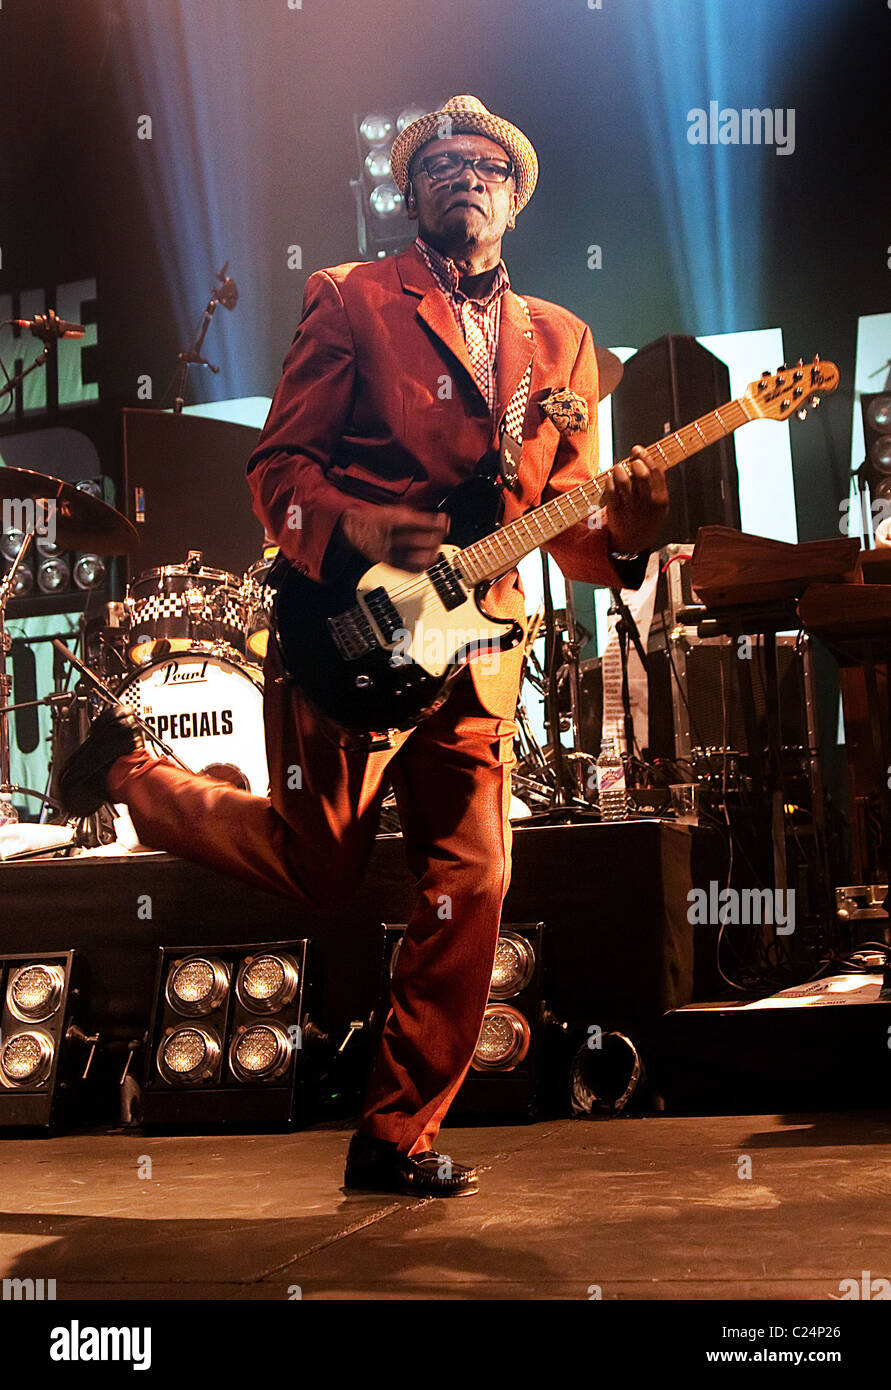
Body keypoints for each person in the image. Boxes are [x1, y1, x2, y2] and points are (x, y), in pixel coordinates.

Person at [61, 96, 668, 1197]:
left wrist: (631, 524)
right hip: (353, 627)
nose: (462, 175)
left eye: (484, 163)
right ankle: (129, 771)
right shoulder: (351, 299)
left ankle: (397, 1133)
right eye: (438, 163)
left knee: (474, 876)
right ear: (412, 193)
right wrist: (361, 526)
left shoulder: (565, 342)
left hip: (478, 654)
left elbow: (569, 525)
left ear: (514, 199)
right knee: (319, 866)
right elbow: (275, 476)